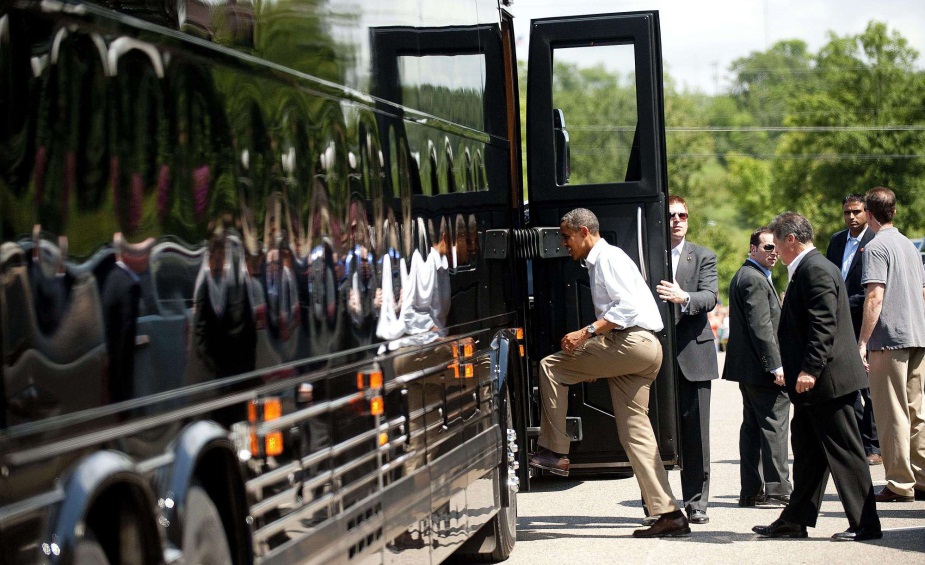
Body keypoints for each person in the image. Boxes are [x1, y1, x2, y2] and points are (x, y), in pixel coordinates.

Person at [528, 208, 690, 538]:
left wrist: (586, 333)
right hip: (645, 348)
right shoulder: (607, 258)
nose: (563, 243)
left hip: (631, 342)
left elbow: (627, 307)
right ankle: (669, 513)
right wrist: (597, 363)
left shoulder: (606, 258)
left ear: (584, 231)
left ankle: (555, 451)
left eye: (566, 236)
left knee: (551, 366)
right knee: (636, 434)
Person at [753, 212, 880, 541]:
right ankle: (795, 519)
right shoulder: (808, 268)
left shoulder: (815, 270)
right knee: (808, 452)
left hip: (827, 381)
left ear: (790, 240)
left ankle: (865, 524)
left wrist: (810, 368)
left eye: (777, 243)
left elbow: (823, 325)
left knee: (846, 452)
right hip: (816, 385)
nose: (775, 250)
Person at [857, 186, 925, 502]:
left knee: (892, 412)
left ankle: (899, 483)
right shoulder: (909, 246)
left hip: (889, 340)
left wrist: (862, 341)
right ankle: (921, 477)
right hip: (917, 335)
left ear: (868, 214)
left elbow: (874, 296)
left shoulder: (875, 246)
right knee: (916, 411)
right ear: (893, 212)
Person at [655, 196, 719, 525]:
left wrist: (685, 298)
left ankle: (697, 504)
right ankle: (658, 505)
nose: (678, 220)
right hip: (656, 358)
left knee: (697, 437)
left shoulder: (703, 256)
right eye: (671, 215)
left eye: (683, 215)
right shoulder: (649, 254)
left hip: (694, 354)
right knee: (654, 435)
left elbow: (710, 296)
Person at [722, 227, 793, 507]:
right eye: (767, 247)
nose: (773, 252)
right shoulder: (753, 278)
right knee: (774, 426)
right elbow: (761, 327)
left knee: (752, 429)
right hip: (763, 371)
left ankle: (752, 490)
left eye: (775, 247)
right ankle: (778, 490)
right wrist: (776, 365)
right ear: (752, 249)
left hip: (750, 370)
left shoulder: (751, 275)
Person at [825, 194, 880, 465]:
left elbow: (875, 290)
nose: (851, 217)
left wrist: (843, 303)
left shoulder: (875, 241)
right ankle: (855, 439)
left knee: (868, 386)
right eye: (847, 212)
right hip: (838, 322)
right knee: (845, 383)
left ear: (867, 212)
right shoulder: (836, 241)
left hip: (865, 322)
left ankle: (874, 446)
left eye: (856, 211)